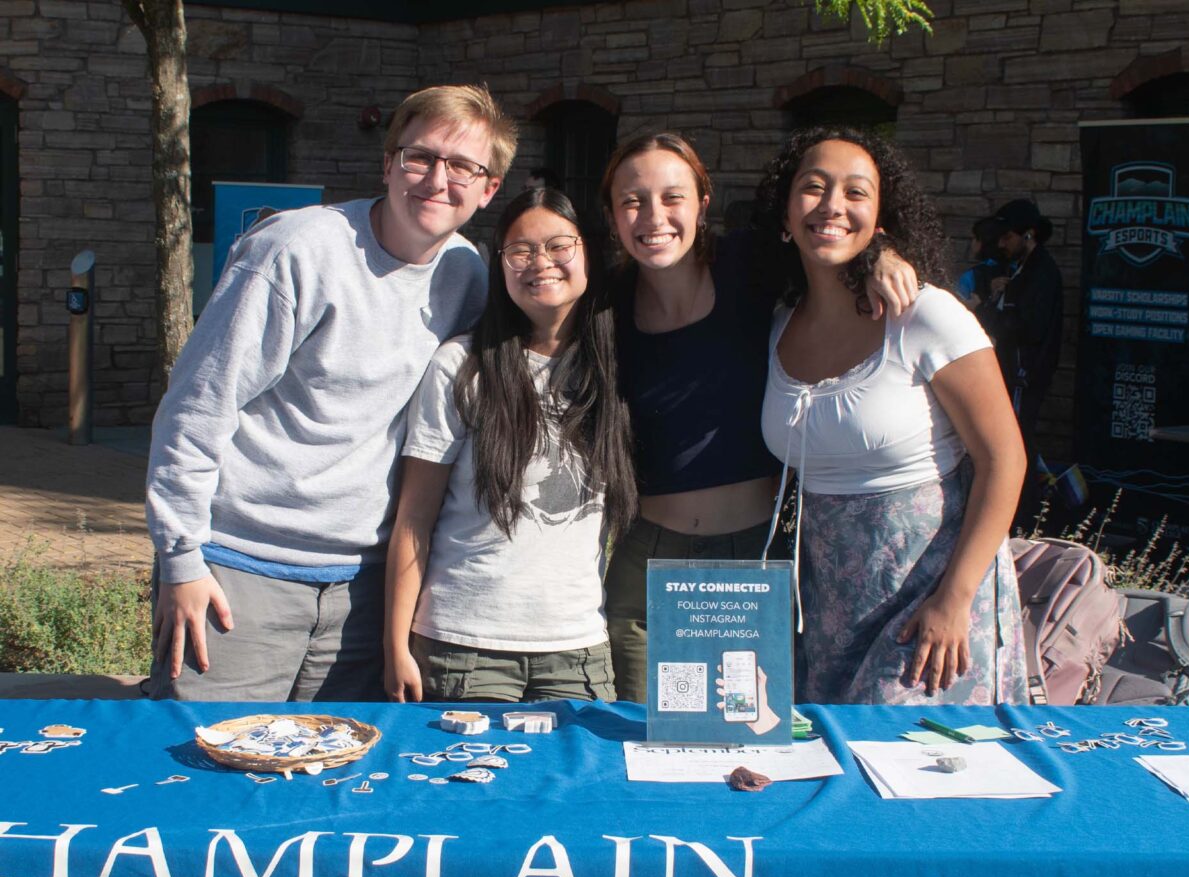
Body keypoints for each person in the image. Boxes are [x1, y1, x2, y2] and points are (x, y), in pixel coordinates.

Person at [144, 84, 517, 701]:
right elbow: (197, 408)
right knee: (205, 770)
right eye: (418, 156)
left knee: (333, 779)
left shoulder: (468, 275)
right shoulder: (295, 251)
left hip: (362, 591)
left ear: (488, 188)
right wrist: (181, 560)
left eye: (462, 166)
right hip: (236, 571)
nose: (435, 179)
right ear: (388, 162)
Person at [598, 132, 920, 703]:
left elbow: (828, 240)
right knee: (645, 732)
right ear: (613, 216)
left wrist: (879, 254)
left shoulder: (750, 266)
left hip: (753, 554)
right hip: (646, 562)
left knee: (746, 726)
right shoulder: (606, 305)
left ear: (703, 202)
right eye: (632, 201)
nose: (654, 217)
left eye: (672, 197)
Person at [756, 126, 1029, 704]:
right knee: (839, 770)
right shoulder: (777, 321)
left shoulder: (924, 315)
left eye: (856, 193)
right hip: (828, 606)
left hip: (931, 597)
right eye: (813, 187)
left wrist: (954, 598)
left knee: (916, 771)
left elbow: (1004, 459)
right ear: (784, 213)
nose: (833, 205)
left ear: (880, 219)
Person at [384, 188, 637, 703]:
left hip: (578, 650)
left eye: (558, 245)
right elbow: (414, 518)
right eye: (520, 251)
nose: (539, 263)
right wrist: (394, 643)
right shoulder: (461, 367)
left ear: (588, 250)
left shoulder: (617, 370)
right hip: (463, 648)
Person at [986, 198, 1064, 526]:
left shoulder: (1042, 274)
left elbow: (1028, 328)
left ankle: (1025, 516)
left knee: (1016, 444)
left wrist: (988, 310)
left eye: (1008, 237)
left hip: (1024, 374)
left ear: (1028, 234)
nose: (1002, 244)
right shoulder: (1018, 272)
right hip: (1013, 372)